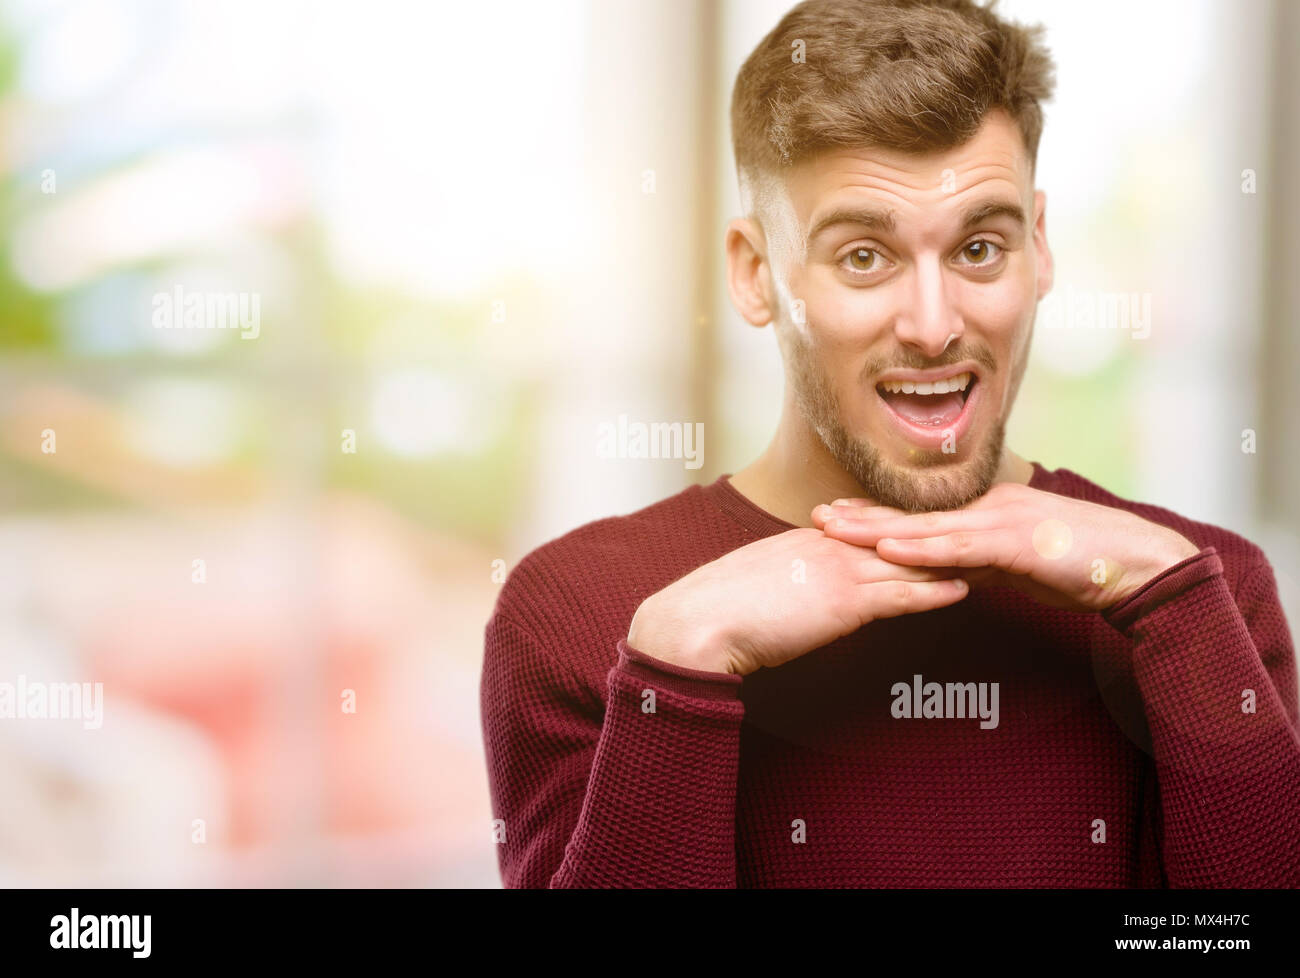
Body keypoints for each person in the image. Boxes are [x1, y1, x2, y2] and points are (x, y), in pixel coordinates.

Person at [479, 0, 1300, 887]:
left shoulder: (1201, 592)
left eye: (981, 248)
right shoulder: (574, 612)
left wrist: (1171, 603)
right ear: (758, 275)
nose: (934, 324)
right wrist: (677, 667)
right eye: (863, 257)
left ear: (1042, 249)